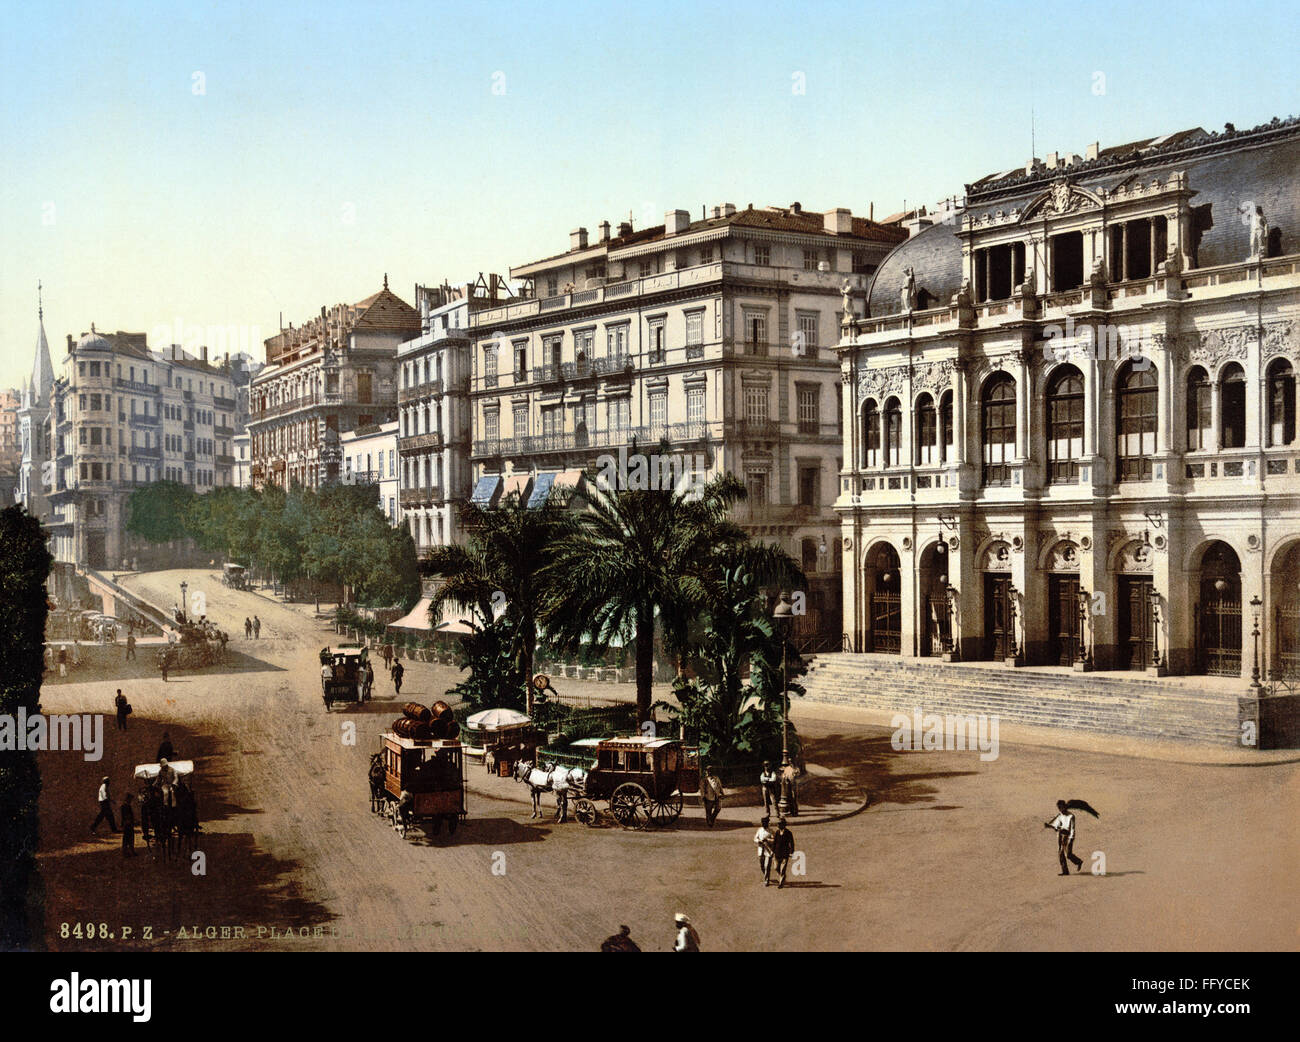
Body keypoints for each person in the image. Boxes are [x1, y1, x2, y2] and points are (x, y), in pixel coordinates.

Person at [1045, 799, 1085, 876]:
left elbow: (1072, 829)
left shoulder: (1071, 816)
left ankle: (1079, 862)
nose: (1060, 809)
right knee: (1060, 852)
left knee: (1068, 854)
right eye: (1058, 808)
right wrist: (1050, 826)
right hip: (1060, 835)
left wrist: (1071, 839)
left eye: (1061, 807)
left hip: (1068, 836)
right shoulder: (1060, 815)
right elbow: (1056, 825)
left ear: (1064, 807)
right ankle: (1065, 871)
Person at [771, 817, 796, 888]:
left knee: (782, 869)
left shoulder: (788, 833)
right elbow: (774, 842)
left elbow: (792, 843)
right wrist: (772, 851)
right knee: (776, 867)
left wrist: (791, 852)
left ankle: (781, 882)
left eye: (779, 824)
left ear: (784, 825)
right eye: (778, 824)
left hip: (785, 854)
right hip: (777, 853)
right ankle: (782, 876)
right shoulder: (777, 832)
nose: (778, 825)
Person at [754, 815, 774, 886]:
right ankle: (765, 874)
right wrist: (758, 841)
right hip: (761, 850)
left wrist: (767, 840)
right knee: (762, 865)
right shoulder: (759, 830)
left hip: (768, 851)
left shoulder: (771, 831)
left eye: (764, 823)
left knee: (767, 866)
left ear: (767, 823)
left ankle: (766, 880)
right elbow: (755, 838)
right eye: (762, 823)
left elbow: (774, 840)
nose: (763, 824)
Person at [120, 794, 136, 858]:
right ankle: (127, 852)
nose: (131, 801)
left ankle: (129, 852)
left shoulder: (125, 806)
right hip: (127, 824)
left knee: (128, 838)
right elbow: (126, 816)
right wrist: (130, 822)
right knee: (128, 838)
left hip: (127, 824)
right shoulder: (126, 806)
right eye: (130, 799)